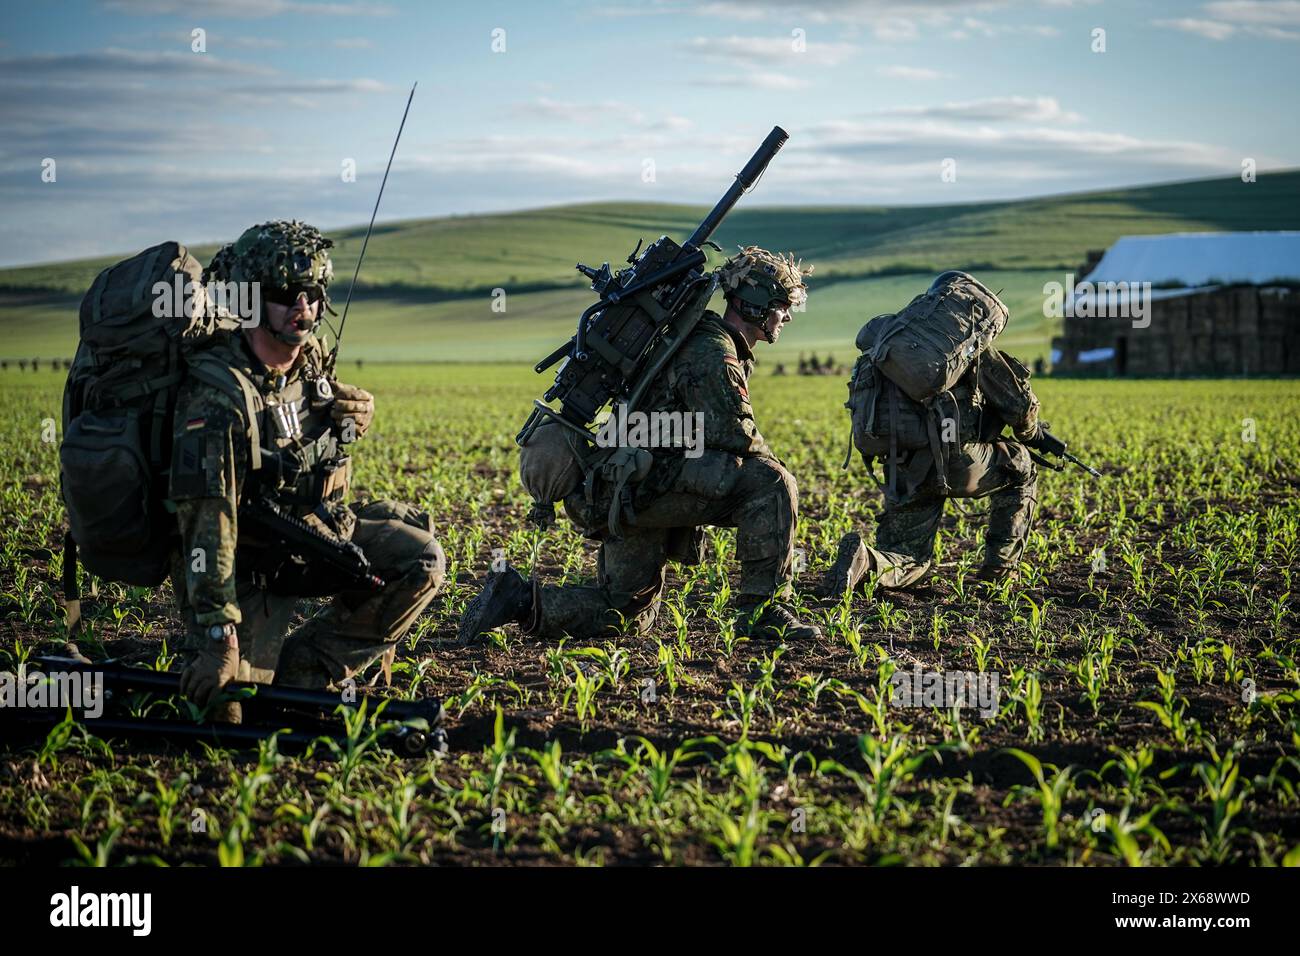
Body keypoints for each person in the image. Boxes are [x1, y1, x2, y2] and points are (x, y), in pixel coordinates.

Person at [460, 246, 822, 644]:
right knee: (772, 483)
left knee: (625, 615)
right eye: (780, 305)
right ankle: (763, 613)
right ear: (753, 306)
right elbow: (737, 436)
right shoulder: (711, 352)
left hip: (624, 485)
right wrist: (774, 469)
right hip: (645, 487)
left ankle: (515, 601)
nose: (786, 316)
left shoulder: (693, 336)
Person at [172, 220, 445, 722]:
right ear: (251, 300)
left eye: (314, 293)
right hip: (240, 569)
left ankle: (304, 671)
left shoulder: (311, 360)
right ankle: (214, 660)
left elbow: (320, 437)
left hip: (307, 537)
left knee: (421, 559)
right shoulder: (218, 396)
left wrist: (357, 416)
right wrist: (219, 637)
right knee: (228, 716)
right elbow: (206, 532)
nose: (304, 308)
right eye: (286, 294)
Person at [824, 276, 1042, 595]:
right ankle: (1000, 573)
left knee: (910, 558)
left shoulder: (891, 338)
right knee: (1022, 468)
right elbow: (1020, 407)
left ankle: (866, 561)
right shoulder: (971, 349)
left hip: (900, 461)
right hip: (955, 462)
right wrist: (1032, 434)